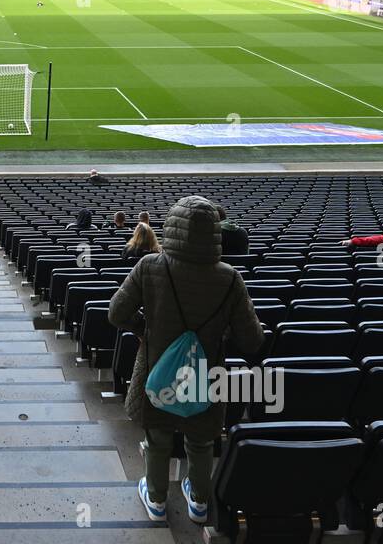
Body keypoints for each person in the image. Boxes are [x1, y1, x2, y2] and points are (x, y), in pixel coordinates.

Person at [108, 196, 265, 525]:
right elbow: (251, 340)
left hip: (156, 365)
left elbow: (117, 313)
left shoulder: (149, 266)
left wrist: (143, 330)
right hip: (205, 372)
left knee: (158, 436)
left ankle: (157, 499)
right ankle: (199, 502)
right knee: (201, 439)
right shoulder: (230, 277)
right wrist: (219, 335)